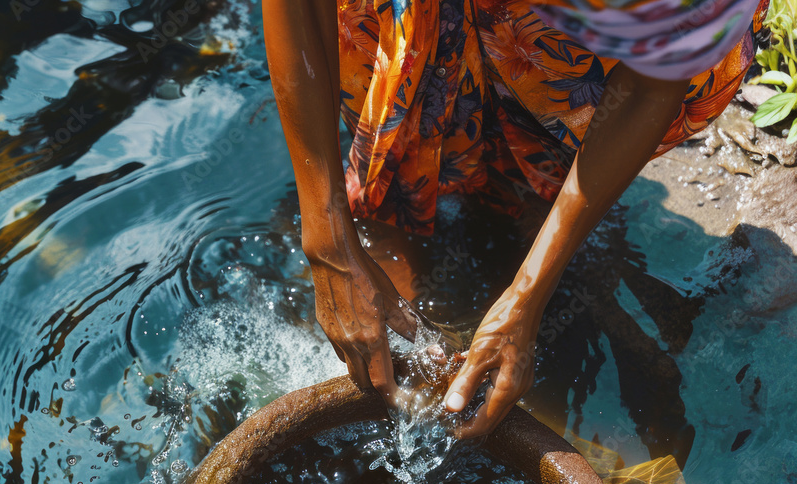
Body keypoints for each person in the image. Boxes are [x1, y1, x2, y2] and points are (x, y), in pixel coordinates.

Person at [263, 0, 766, 437]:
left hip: (539, 47)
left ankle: (518, 181)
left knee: (545, 108)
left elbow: (647, 87)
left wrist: (528, 294)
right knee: (395, 80)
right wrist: (328, 240)